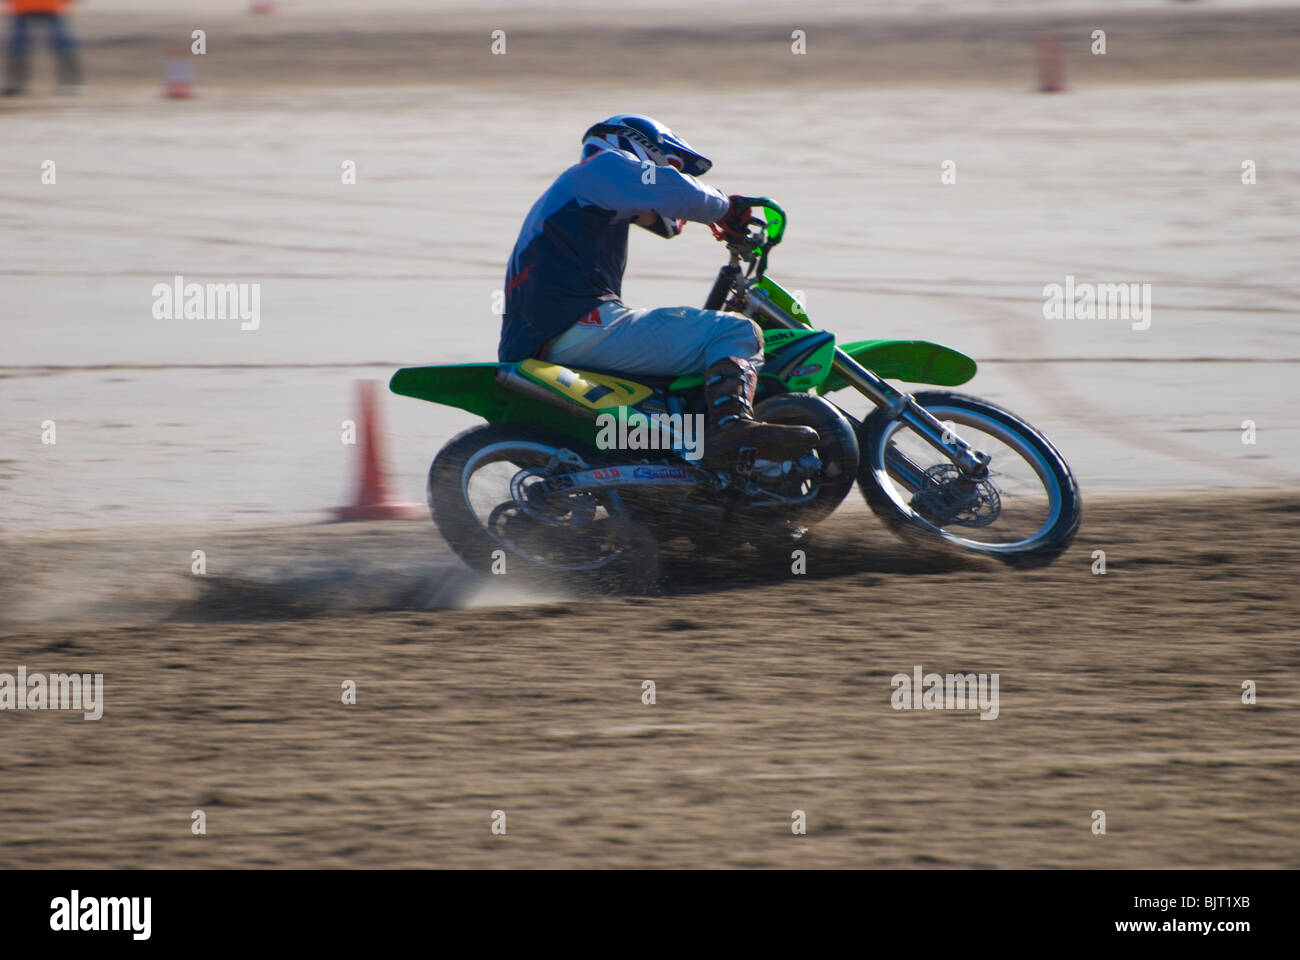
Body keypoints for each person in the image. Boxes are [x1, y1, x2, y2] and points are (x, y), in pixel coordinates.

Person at [499, 113, 817, 469]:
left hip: (547, 336)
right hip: (575, 328)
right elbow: (668, 188)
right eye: (675, 166)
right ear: (638, 148)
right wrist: (728, 208)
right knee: (735, 329)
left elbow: (664, 199)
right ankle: (731, 426)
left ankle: (677, 452)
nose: (678, 174)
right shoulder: (598, 169)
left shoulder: (581, 199)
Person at [3, 0, 83, 96]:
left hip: (47, 6)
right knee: (19, 45)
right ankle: (15, 84)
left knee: (62, 42)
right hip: (27, 7)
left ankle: (70, 83)